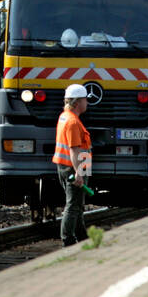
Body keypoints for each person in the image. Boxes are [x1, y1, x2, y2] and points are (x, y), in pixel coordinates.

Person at [52, 82, 92, 246]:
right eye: (85, 100)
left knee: (77, 205)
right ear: (77, 103)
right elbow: (74, 150)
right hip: (73, 167)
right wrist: (79, 173)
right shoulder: (73, 122)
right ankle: (68, 239)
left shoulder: (64, 117)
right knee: (73, 205)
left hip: (66, 166)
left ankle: (82, 237)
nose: (87, 103)